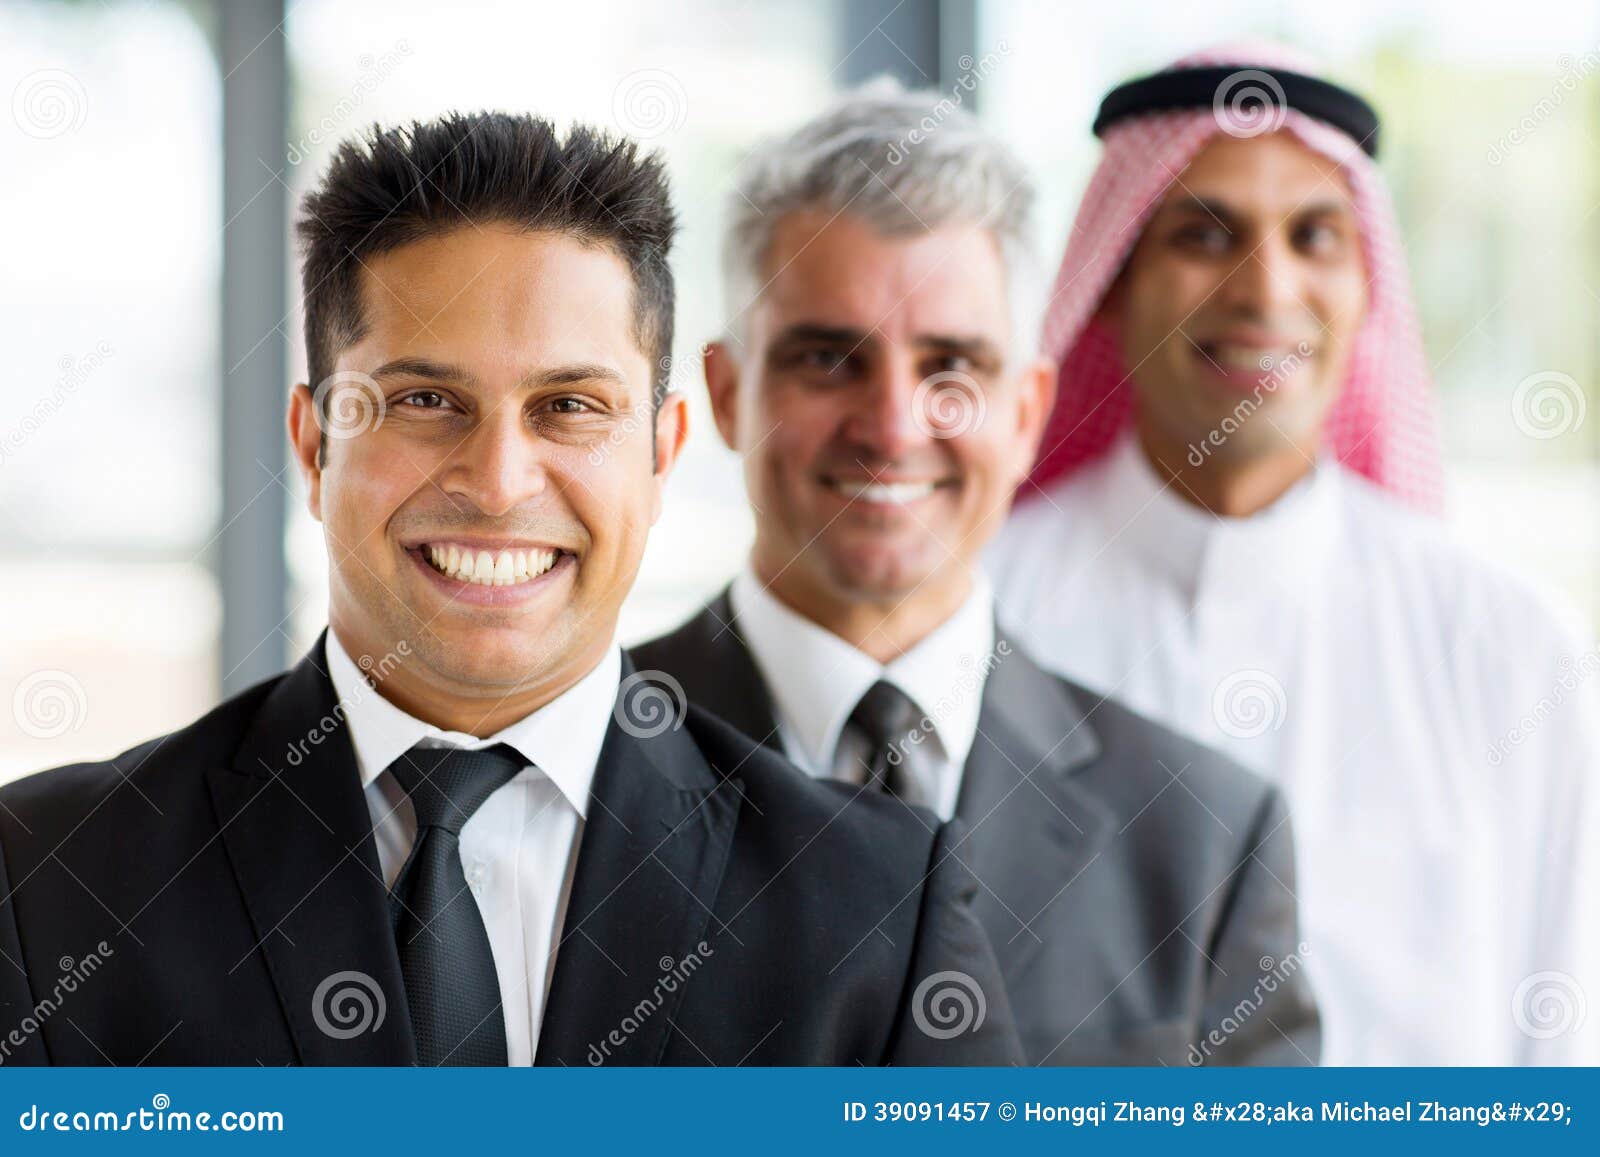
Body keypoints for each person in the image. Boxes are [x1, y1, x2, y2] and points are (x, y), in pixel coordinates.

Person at [0, 112, 1021, 1067]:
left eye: (569, 405)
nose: (497, 483)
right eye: (425, 399)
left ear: (660, 455)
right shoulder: (48, 880)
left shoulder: (882, 904)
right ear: (313, 447)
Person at [632, 83, 1320, 1066]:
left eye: (950, 366)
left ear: (1027, 412)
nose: (893, 427)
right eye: (828, 358)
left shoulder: (1203, 844)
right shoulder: (569, 767)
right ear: (727, 393)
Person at [988, 43, 1600, 1064]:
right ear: (1111, 281)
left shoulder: (1508, 648)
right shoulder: (982, 608)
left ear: (1364, 288)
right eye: (1203, 233)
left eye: (1314, 236)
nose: (1264, 287)